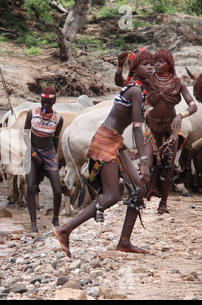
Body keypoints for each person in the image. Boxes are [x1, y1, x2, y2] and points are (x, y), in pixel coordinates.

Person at [53, 49, 154, 257]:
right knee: (111, 195)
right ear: (135, 69)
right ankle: (65, 230)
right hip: (107, 141)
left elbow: (119, 81)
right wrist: (144, 161)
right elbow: (137, 128)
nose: (151, 68)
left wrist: (118, 67)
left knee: (138, 189)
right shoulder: (135, 91)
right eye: (146, 65)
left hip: (114, 140)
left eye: (153, 64)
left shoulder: (135, 87)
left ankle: (124, 242)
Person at [143, 50, 198, 214]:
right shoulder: (148, 80)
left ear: (169, 64)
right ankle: (139, 196)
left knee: (168, 166)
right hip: (151, 129)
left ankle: (163, 202)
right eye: (155, 61)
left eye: (161, 61)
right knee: (146, 164)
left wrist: (181, 115)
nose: (157, 64)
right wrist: (120, 67)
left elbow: (193, 105)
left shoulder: (178, 83)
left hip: (171, 131)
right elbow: (121, 83)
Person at [23, 87, 63, 232]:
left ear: (54, 102)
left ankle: (56, 218)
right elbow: (25, 135)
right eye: (43, 102)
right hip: (32, 152)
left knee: (57, 190)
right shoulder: (31, 114)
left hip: (49, 153)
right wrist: (34, 155)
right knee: (31, 188)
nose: (45, 105)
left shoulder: (58, 119)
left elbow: (56, 141)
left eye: (49, 103)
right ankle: (33, 224)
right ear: (40, 101)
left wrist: (53, 160)